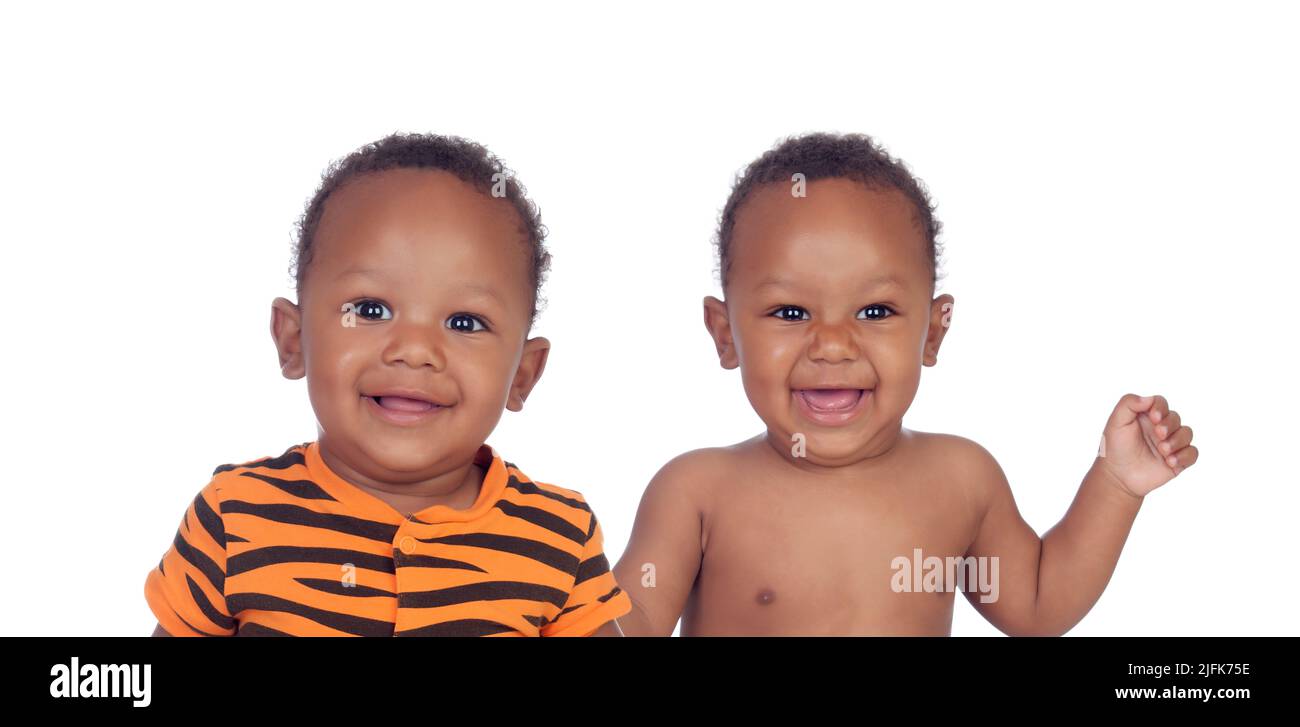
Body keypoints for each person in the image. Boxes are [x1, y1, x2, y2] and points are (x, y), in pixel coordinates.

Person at [614, 132, 1198, 636]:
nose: (834, 346)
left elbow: (1039, 605)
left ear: (932, 332)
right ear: (724, 335)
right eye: (790, 313)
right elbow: (630, 619)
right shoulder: (695, 492)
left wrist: (1117, 485)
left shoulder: (960, 479)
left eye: (875, 311)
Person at [145, 133, 630, 636]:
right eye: (370, 310)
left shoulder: (558, 538)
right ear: (293, 340)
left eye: (465, 322)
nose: (415, 350)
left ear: (523, 374)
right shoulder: (234, 517)